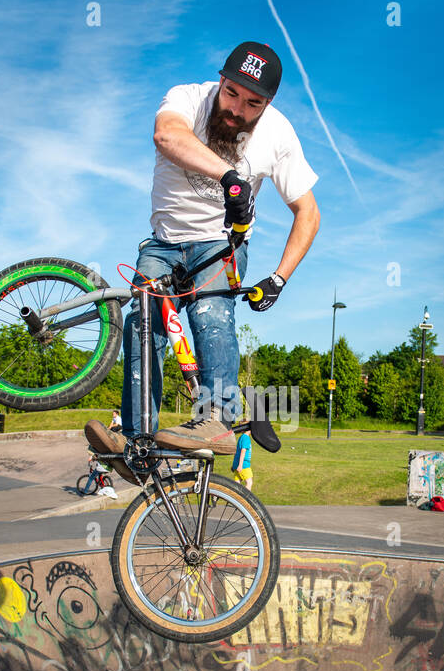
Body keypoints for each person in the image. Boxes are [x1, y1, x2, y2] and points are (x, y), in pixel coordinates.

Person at [84, 40, 320, 482]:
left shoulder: (279, 134)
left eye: (253, 104)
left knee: (212, 313)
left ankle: (217, 421)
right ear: (220, 81)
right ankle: (137, 441)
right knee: (143, 325)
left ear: (266, 104)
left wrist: (279, 278)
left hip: (218, 245)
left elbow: (309, 212)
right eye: (232, 93)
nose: (237, 110)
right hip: (163, 244)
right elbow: (167, 135)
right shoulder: (186, 99)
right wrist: (229, 176)